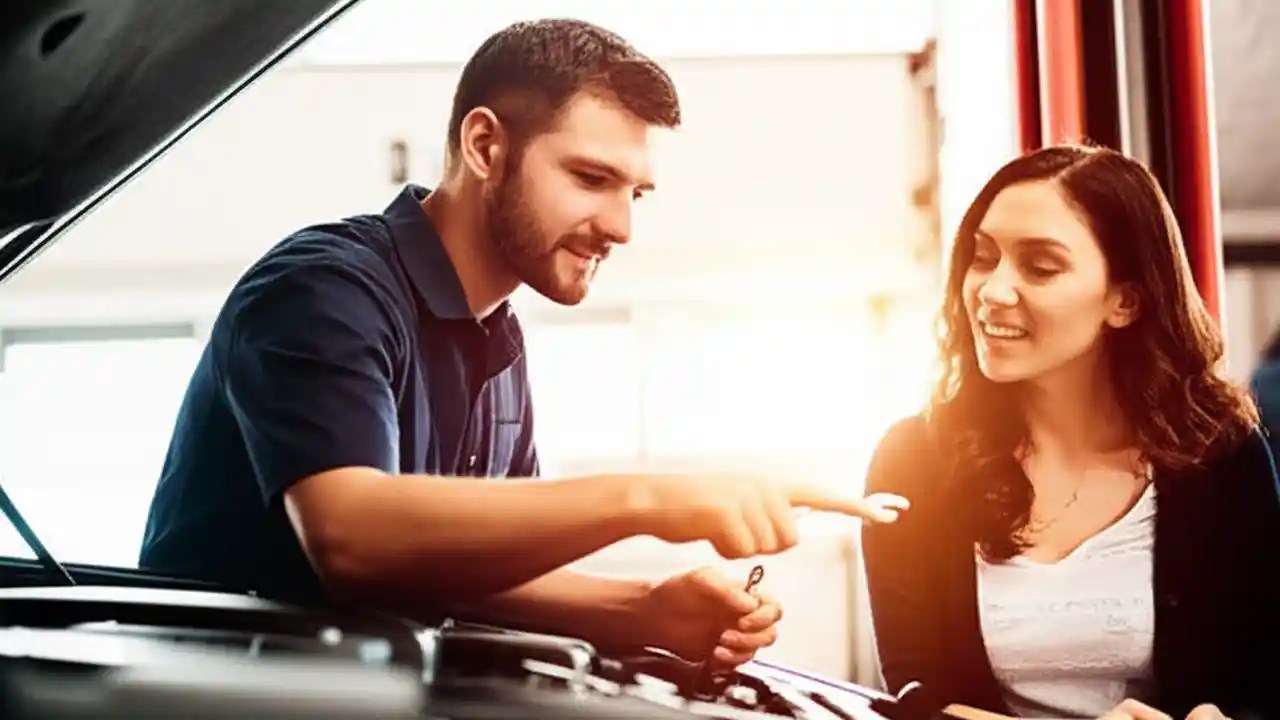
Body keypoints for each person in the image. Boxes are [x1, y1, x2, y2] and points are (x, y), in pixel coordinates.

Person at [138, 18, 905, 669]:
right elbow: (352, 536)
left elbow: (464, 567)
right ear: (484, 145)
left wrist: (645, 610)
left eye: (634, 193)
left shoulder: (498, 338)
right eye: (590, 177)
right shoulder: (322, 289)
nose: (621, 227)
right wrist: (650, 497)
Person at [860, 144, 1279, 720]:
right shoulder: (912, 460)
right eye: (982, 258)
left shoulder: (1222, 455)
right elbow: (917, 699)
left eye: (1040, 267)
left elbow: (1262, 681)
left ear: (1126, 300)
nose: (991, 290)